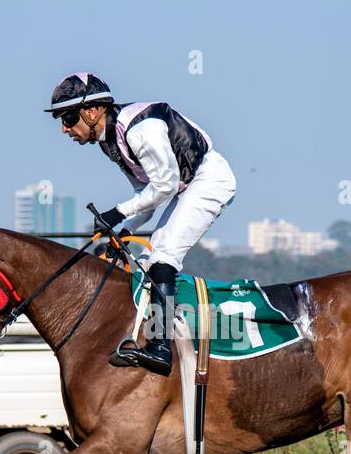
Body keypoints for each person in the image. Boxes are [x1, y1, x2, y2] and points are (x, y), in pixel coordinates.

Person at [45, 72, 236, 376]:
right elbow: (143, 193)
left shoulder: (138, 131)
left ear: (93, 111)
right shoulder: (110, 142)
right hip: (184, 186)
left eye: (68, 118)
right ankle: (150, 338)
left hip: (208, 180)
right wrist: (125, 231)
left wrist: (117, 214)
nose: (64, 128)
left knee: (163, 257)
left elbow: (164, 186)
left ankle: (162, 348)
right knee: (147, 261)